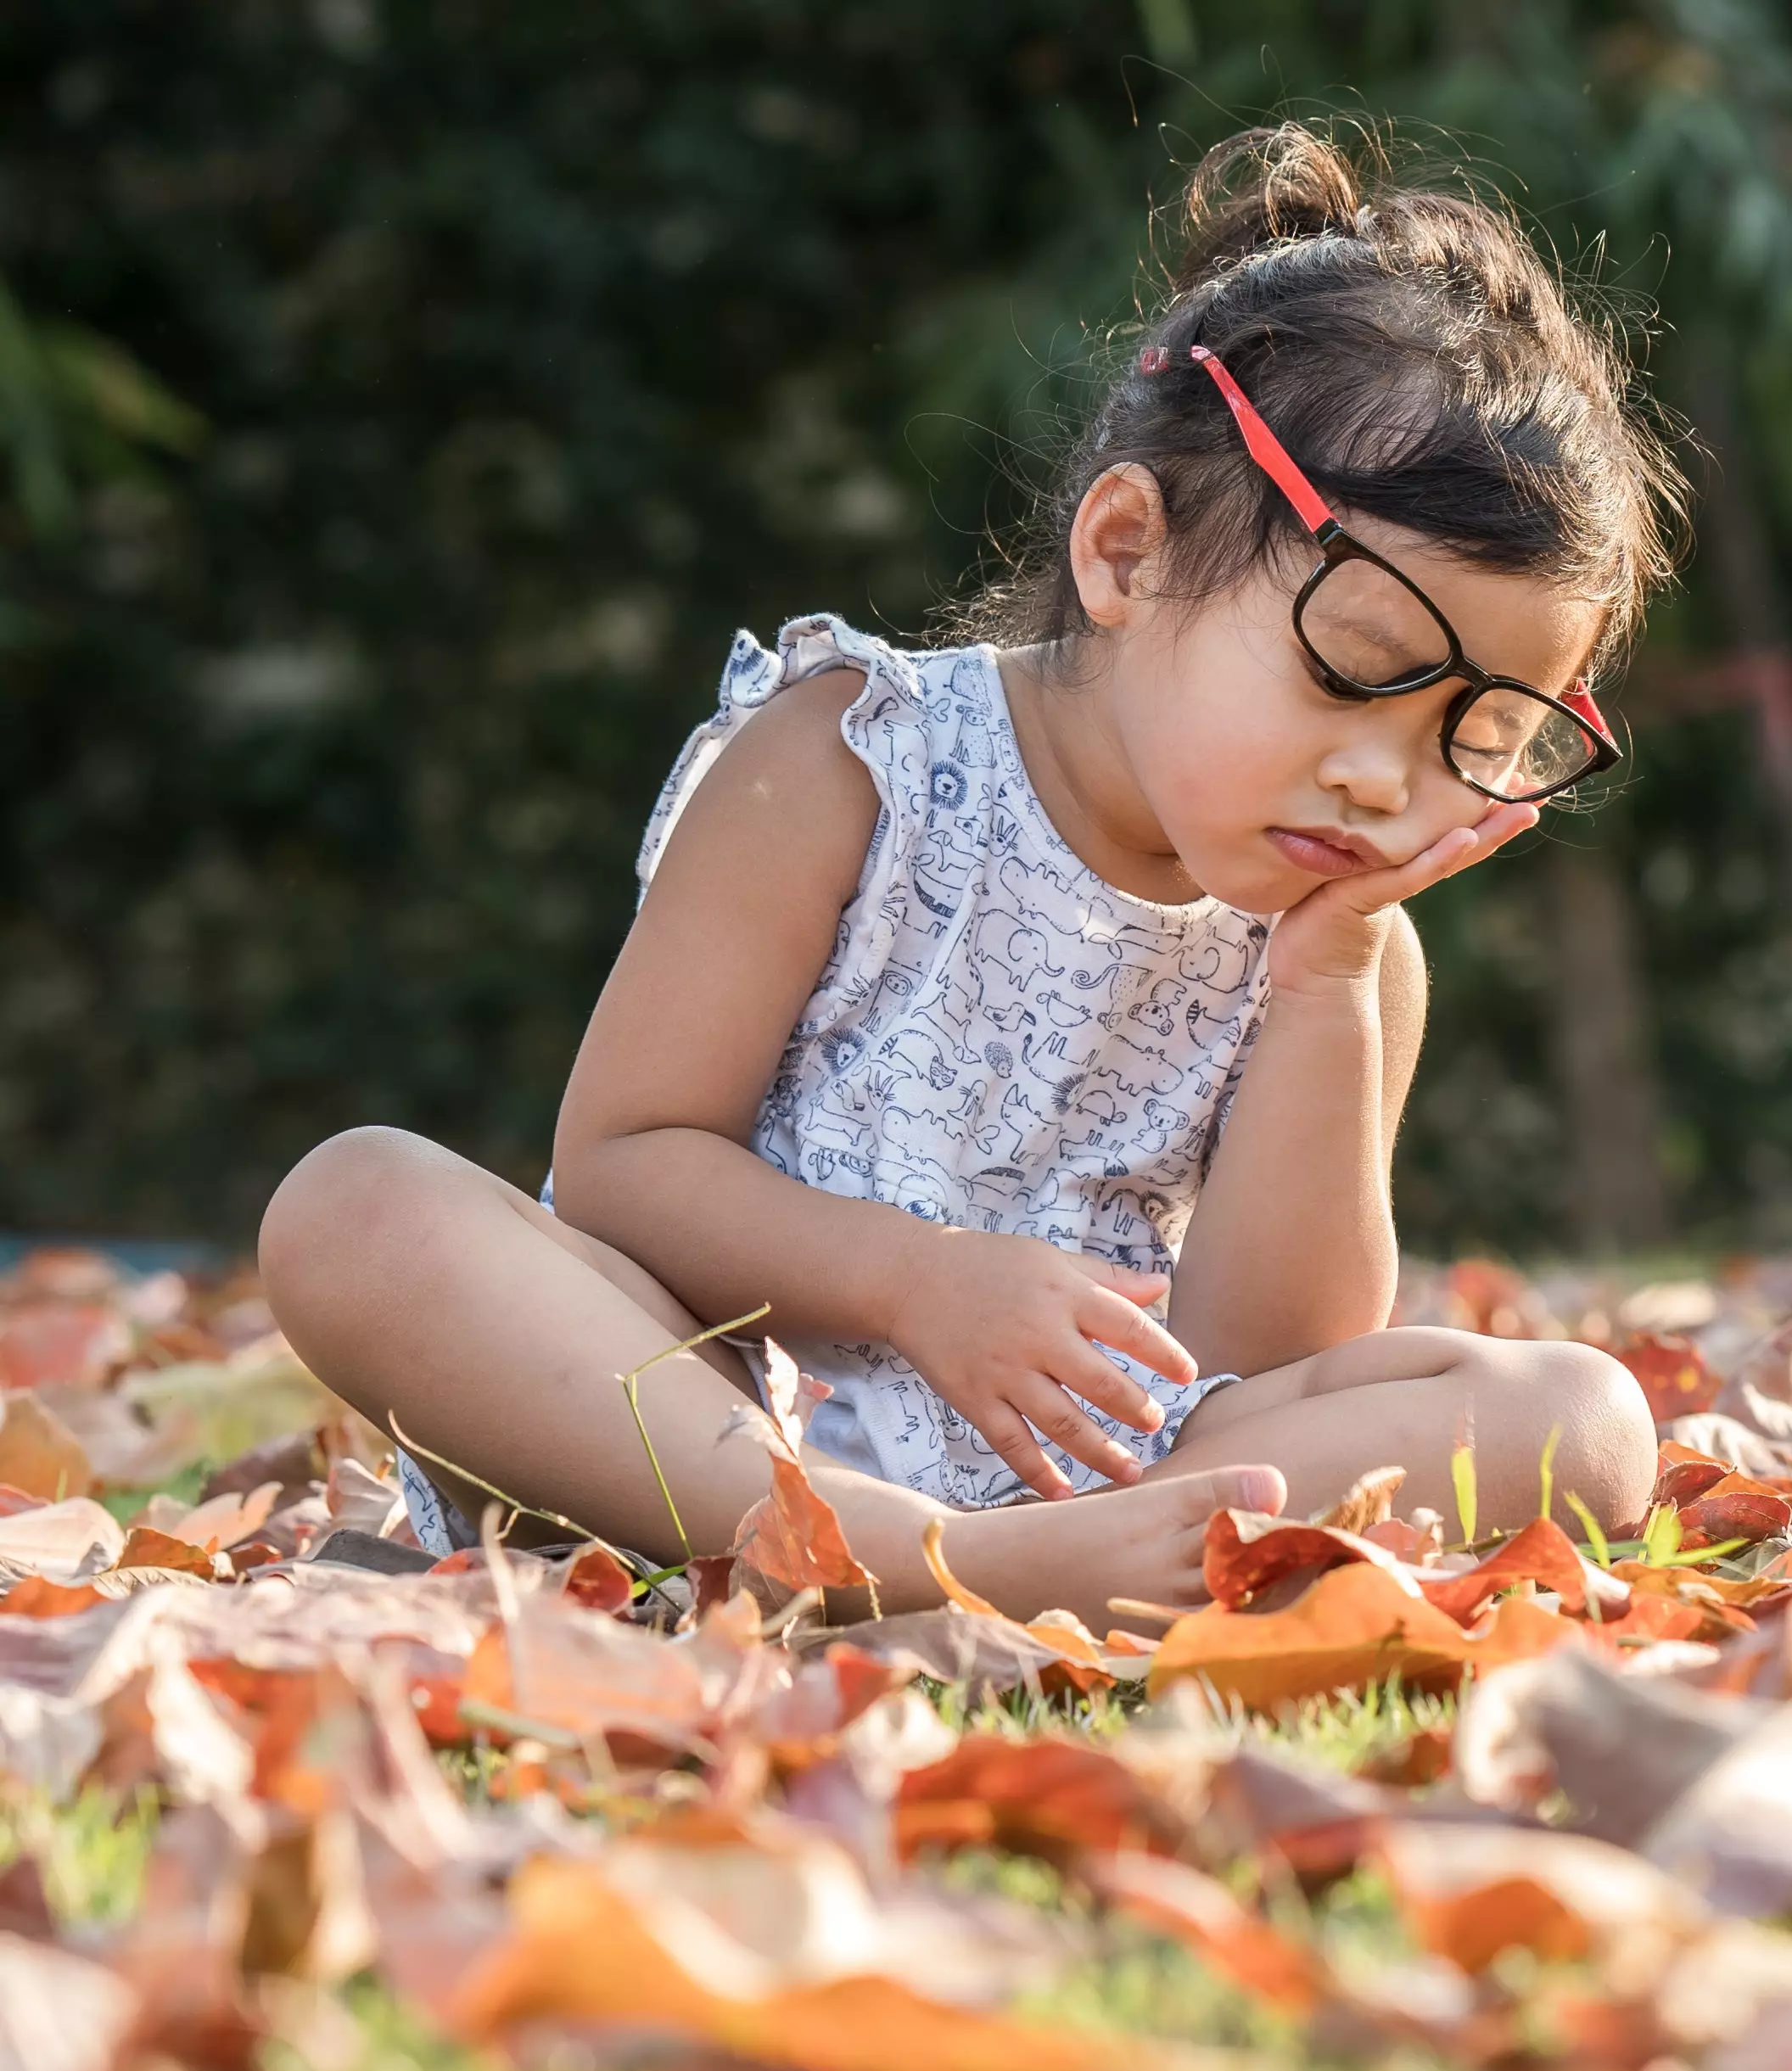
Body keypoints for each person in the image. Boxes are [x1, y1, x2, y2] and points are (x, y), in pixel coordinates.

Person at [258, 123, 1680, 1624]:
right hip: (693, 1428)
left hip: (1088, 1480)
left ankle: (1023, 1563)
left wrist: (1325, 992)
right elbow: (627, 1161)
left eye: (1489, 732)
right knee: (359, 1203)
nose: (1385, 781)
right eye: (1358, 669)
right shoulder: (847, 761)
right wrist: (914, 1284)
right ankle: (899, 1560)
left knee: (1587, 1418)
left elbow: (1260, 1360)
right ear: (1126, 554)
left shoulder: (1344, 948)